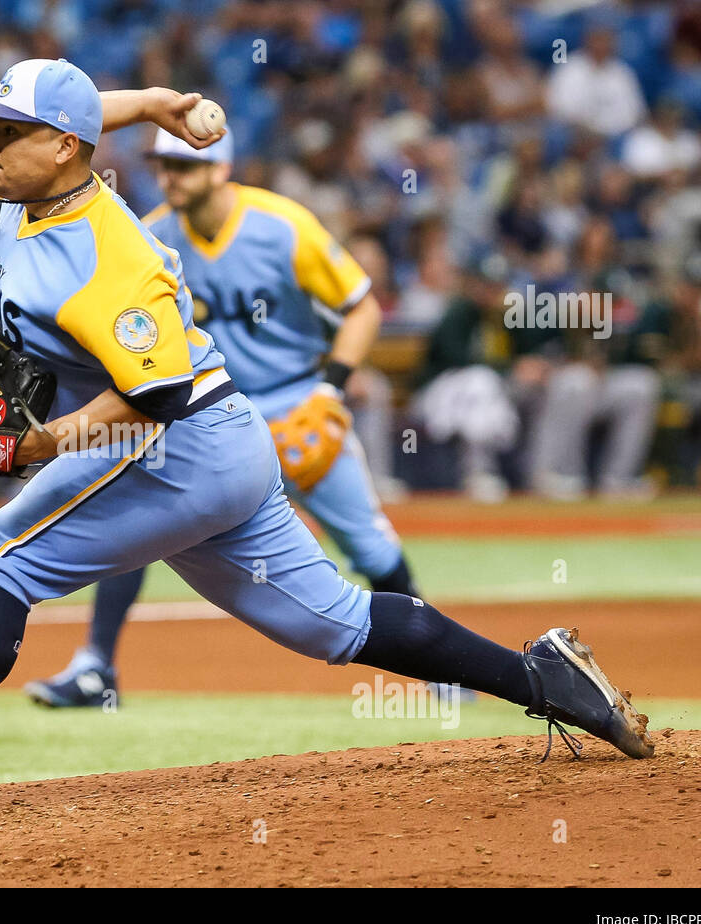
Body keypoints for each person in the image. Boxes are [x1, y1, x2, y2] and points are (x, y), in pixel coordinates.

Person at [0, 60, 652, 828]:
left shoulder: (106, 254)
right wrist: (153, 104)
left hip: (172, 444)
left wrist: (45, 445)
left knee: (0, 558)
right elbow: (82, 114)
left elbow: (155, 393)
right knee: (336, 624)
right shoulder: (37, 182)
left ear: (65, 147)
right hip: (228, 448)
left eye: (9, 130)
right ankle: (543, 679)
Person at [23, 128, 422, 709]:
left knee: (371, 548)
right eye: (163, 164)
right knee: (135, 524)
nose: (170, 176)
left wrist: (332, 391)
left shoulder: (282, 225)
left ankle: (443, 678)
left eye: (184, 165)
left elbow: (360, 305)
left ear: (221, 167)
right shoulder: (151, 233)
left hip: (296, 404)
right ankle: (95, 667)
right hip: (207, 413)